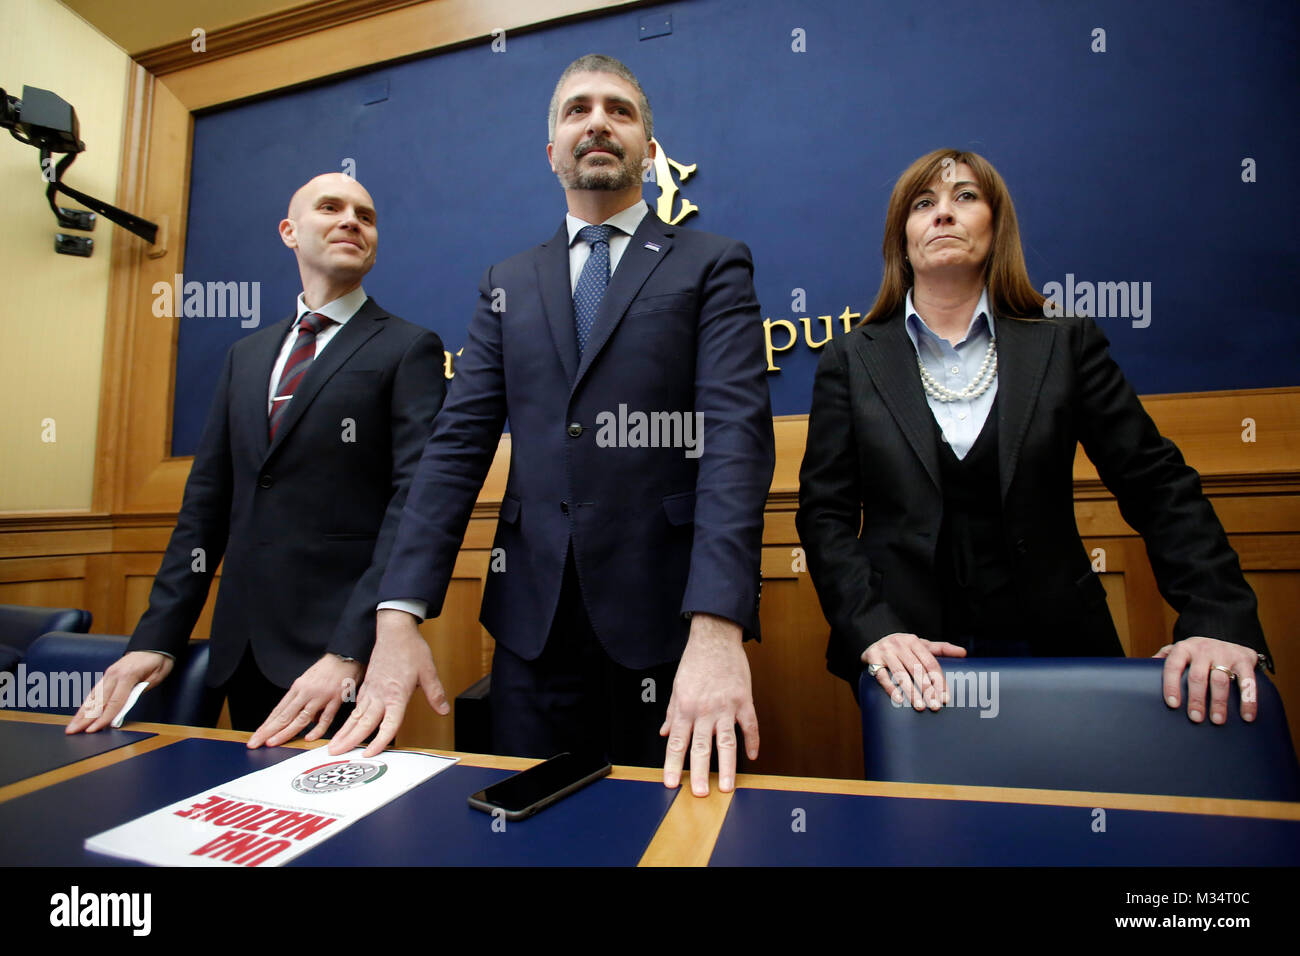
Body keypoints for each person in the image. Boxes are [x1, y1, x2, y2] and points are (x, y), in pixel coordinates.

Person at [326, 54, 775, 797]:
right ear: (552, 152)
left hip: (670, 626)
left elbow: (735, 440)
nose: (598, 122)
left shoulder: (712, 264)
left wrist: (719, 625)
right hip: (532, 630)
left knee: (669, 830)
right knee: (530, 829)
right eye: (577, 110)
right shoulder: (507, 281)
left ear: (649, 151)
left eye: (620, 110)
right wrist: (399, 612)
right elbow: (454, 449)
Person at [796, 148, 1271, 726]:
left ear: (997, 228)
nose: (943, 214)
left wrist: (1217, 617)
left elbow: (1157, 483)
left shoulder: (1065, 343)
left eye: (964, 197)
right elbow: (825, 516)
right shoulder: (850, 359)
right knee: (935, 819)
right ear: (902, 238)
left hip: (1059, 646)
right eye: (924, 204)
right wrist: (875, 631)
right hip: (911, 659)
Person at [67, 173, 446, 743]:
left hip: (338, 662)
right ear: (289, 232)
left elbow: (412, 505)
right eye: (330, 208)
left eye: (365, 216)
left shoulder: (408, 348)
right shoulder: (245, 356)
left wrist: (350, 649)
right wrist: (156, 637)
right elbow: (205, 505)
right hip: (239, 650)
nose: (351, 221)